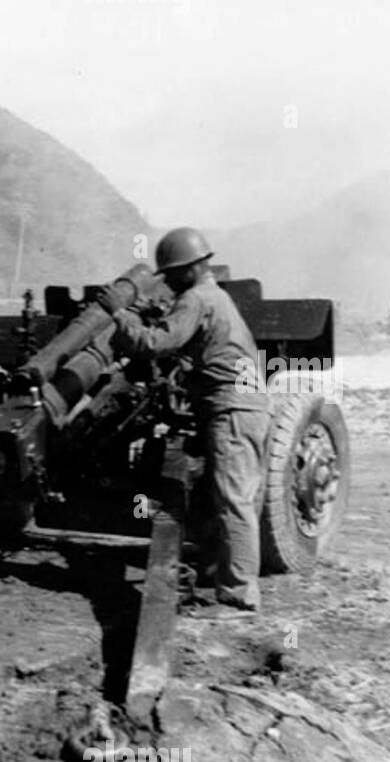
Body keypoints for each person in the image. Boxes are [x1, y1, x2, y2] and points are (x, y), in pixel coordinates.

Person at [98, 226, 270, 615]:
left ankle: (240, 594)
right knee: (229, 495)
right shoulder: (215, 296)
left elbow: (155, 344)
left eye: (173, 273)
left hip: (232, 408)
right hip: (241, 405)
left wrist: (119, 314)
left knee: (233, 499)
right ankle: (222, 575)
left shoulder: (195, 299)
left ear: (191, 269)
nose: (171, 281)